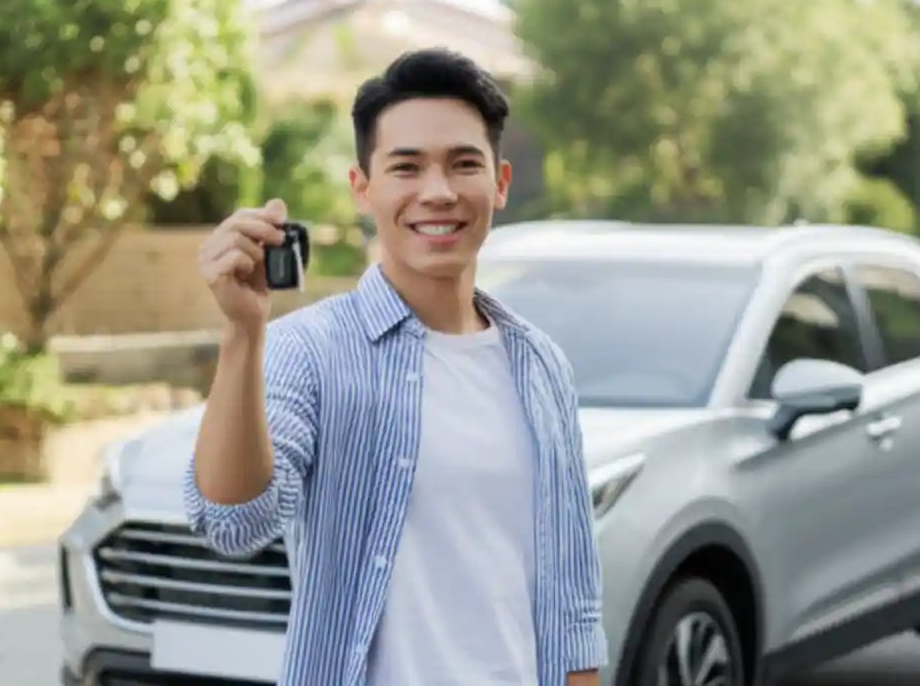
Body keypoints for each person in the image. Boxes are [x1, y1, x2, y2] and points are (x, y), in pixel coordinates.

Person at [186, 47, 607, 686]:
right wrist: (244, 333)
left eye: (464, 164)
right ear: (364, 188)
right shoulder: (312, 351)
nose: (437, 192)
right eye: (405, 167)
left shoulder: (541, 366)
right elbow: (234, 522)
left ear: (500, 182)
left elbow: (574, 604)